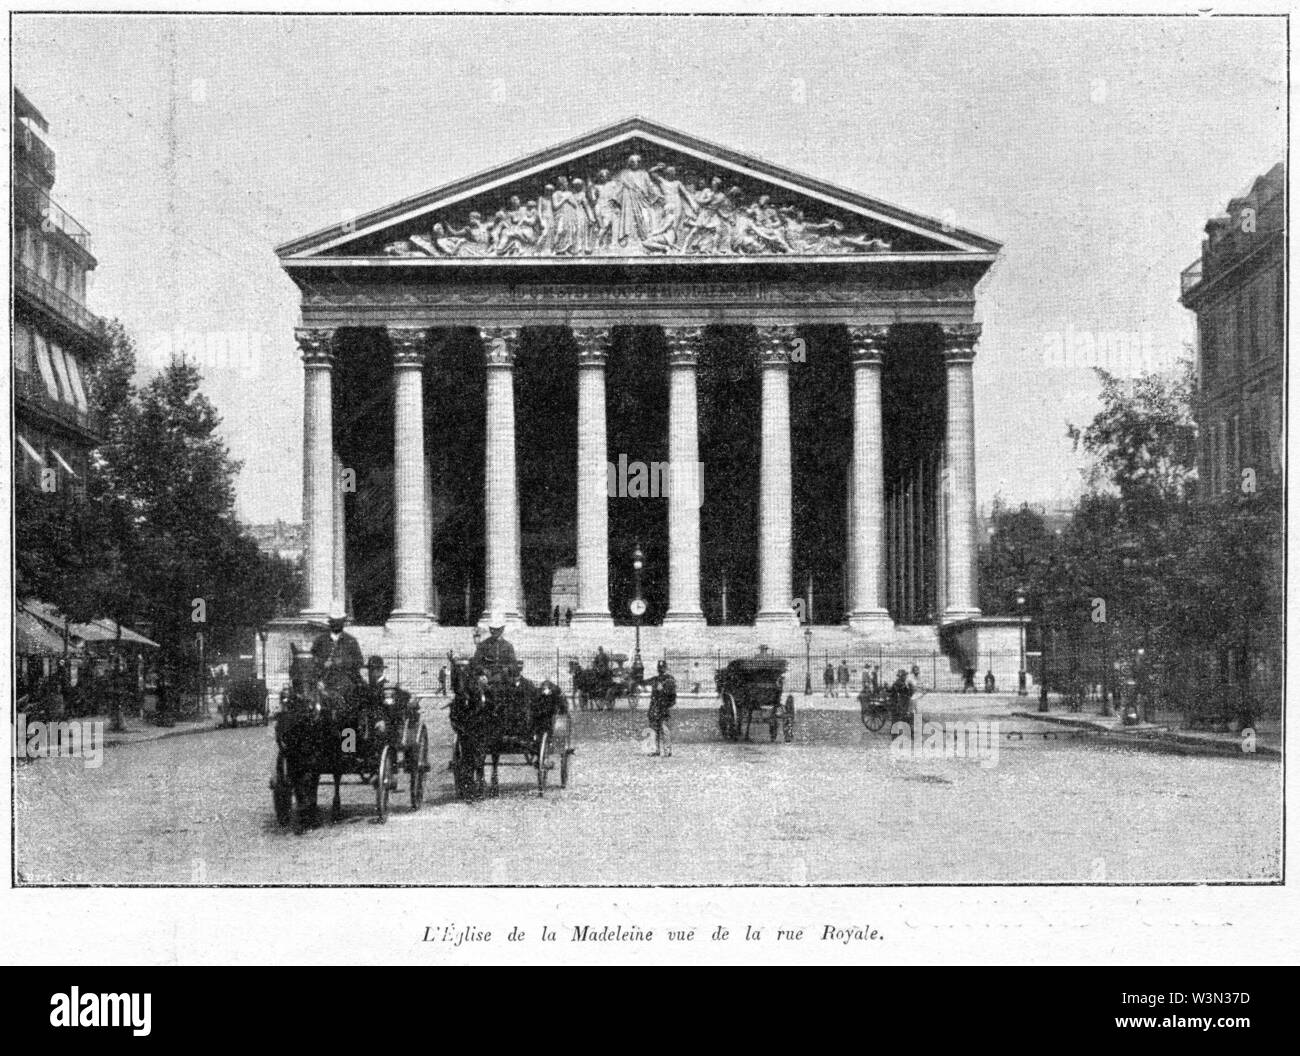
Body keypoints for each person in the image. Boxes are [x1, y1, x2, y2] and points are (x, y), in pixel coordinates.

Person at [309, 608, 365, 701]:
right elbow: (311, 660)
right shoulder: (320, 640)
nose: (336, 624)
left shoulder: (351, 640)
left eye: (339, 622)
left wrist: (343, 662)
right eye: (334, 621)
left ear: (343, 622)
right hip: (323, 681)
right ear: (330, 622)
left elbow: (359, 661)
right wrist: (322, 663)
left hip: (345, 682)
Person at [643, 660, 677, 757]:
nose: (660, 670)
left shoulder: (669, 680)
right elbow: (645, 682)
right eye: (659, 668)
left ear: (665, 668)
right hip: (654, 707)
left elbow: (672, 696)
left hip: (663, 707)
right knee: (654, 729)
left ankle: (667, 750)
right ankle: (655, 750)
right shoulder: (655, 679)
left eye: (662, 668)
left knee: (664, 729)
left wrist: (663, 691)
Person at [471, 612, 518, 684]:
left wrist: (505, 670)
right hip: (486, 678)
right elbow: (476, 662)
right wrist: (483, 672)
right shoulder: (483, 645)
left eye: (496, 629)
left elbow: (513, 664)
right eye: (491, 628)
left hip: (503, 679)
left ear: (502, 629)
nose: (492, 631)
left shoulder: (508, 646)